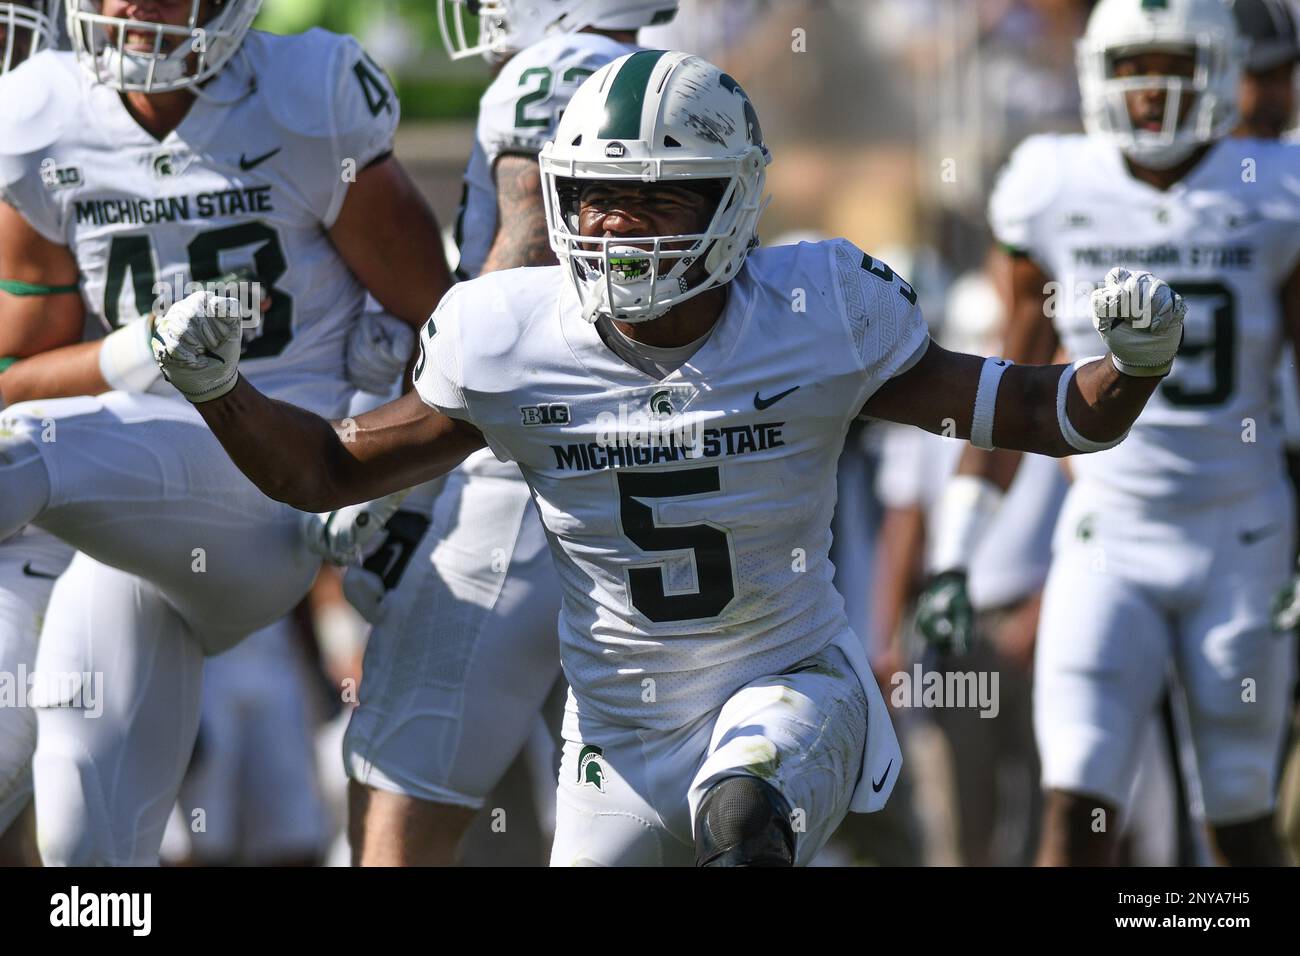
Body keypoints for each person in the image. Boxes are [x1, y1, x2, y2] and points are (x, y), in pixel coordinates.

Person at [151, 50, 1183, 866]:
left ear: (729, 205)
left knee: (742, 815)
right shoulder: (513, 333)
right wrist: (218, 390)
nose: (613, 224)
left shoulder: (814, 311)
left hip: (787, 682)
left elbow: (1045, 415)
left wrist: (1131, 367)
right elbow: (326, 470)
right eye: (595, 195)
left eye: (652, 198)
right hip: (617, 735)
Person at [0, 0, 451, 865]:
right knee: (84, 840)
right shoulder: (45, 113)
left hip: (275, 492)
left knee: (32, 451)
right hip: (125, 521)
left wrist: (391, 486)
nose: (133, 5)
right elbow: (19, 375)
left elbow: (442, 331)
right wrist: (142, 348)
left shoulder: (306, 97)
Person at [916, 0, 1300, 865]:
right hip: (1107, 537)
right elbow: (1002, 395)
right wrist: (954, 553)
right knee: (1076, 802)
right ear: (1097, 74)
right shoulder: (1055, 185)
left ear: (1219, 70)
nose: (1150, 90)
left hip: (1243, 530)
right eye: (1131, 67)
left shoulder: (1275, 186)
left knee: (1240, 818)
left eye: (1171, 64)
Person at [318, 0, 680, 867]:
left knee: (393, 813)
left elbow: (512, 280)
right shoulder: (680, 87)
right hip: (650, 479)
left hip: (525, 476)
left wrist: (405, 482)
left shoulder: (547, 73)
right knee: (632, 826)